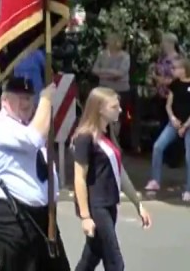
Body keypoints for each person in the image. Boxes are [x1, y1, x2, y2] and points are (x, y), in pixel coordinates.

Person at [0, 77, 66, 270]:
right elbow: (33, 139)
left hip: (41, 217)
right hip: (13, 216)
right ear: (4, 100)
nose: (26, 103)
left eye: (29, 98)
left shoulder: (28, 126)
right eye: (19, 98)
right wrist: (46, 99)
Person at [72, 87, 152, 271]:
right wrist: (85, 216)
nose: (120, 110)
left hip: (110, 204)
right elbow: (79, 178)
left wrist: (138, 204)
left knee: (91, 257)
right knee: (115, 263)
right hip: (97, 207)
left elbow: (119, 172)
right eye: (114, 107)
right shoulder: (85, 137)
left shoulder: (107, 134)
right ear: (100, 109)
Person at [145, 58, 190, 198]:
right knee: (158, 146)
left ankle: (189, 189)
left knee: (189, 156)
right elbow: (168, 105)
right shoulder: (175, 85)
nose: (173, 70)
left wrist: (185, 126)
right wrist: (172, 118)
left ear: (184, 69)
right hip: (174, 123)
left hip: (188, 124)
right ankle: (155, 180)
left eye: (176, 68)